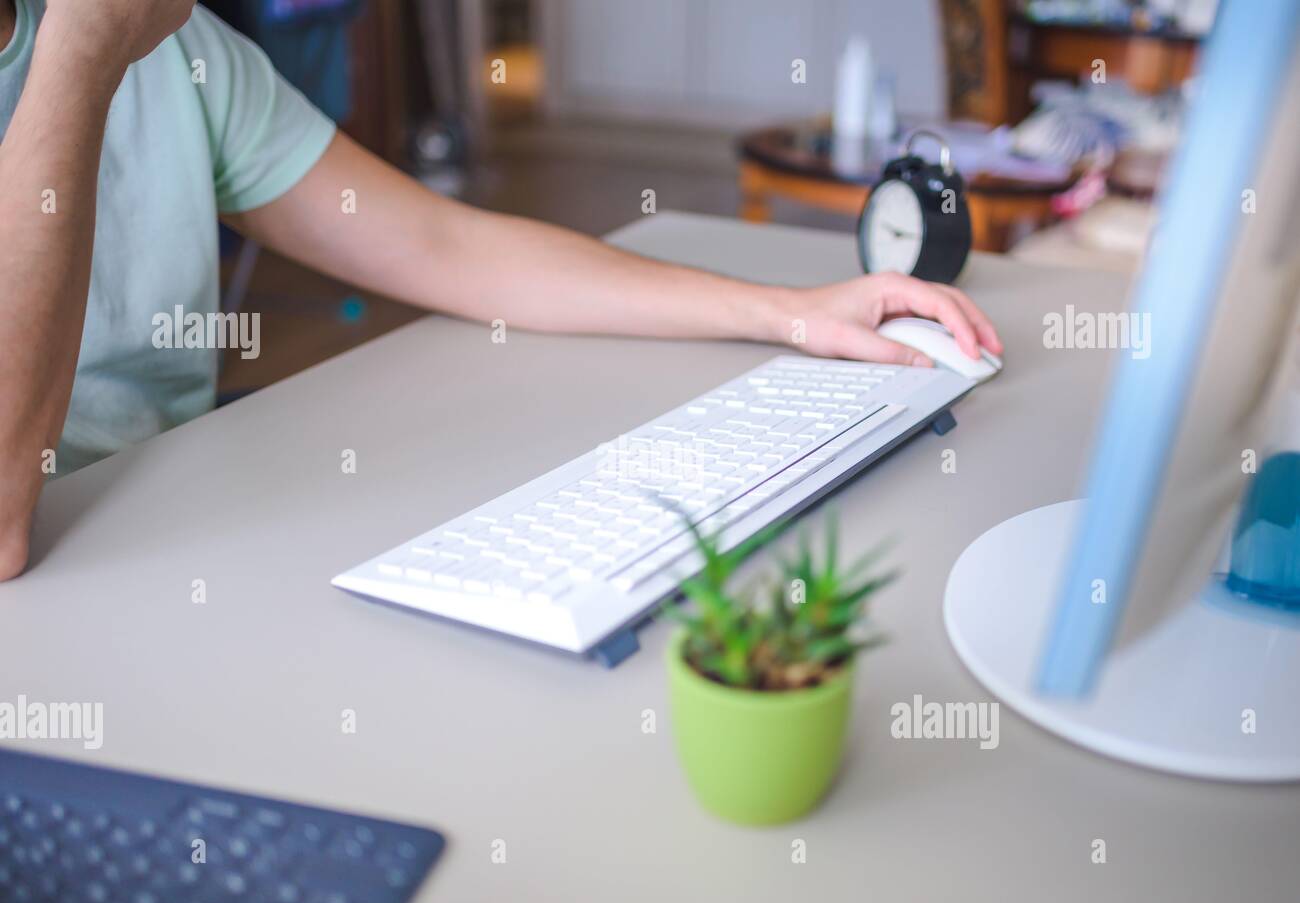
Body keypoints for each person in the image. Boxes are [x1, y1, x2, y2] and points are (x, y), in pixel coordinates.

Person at [0, 0, 1002, 581]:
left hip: (178, 547)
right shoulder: (100, 37)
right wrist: (79, 62)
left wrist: (786, 310)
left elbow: (444, 244)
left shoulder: (175, 48)